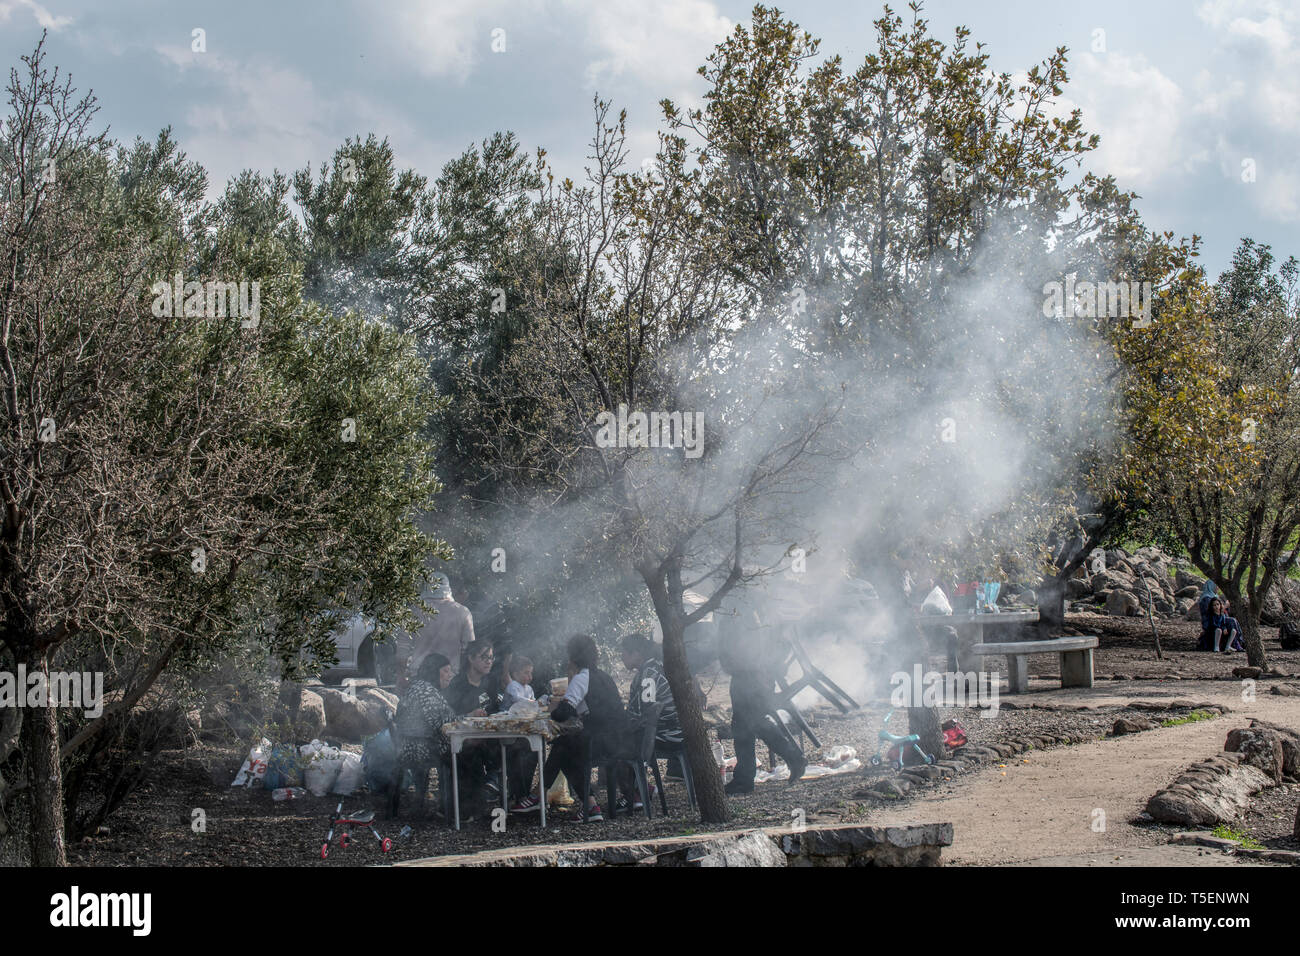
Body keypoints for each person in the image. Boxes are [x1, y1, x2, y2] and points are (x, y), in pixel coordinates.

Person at [511, 634, 629, 822]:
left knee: (563, 749)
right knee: (564, 745)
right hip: (618, 740)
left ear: (572, 657)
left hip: (600, 744)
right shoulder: (604, 676)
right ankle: (585, 804)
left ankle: (540, 795)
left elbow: (562, 713)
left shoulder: (583, 677)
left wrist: (558, 697)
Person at [719, 625, 807, 795]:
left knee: (751, 721)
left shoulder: (750, 614)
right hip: (749, 673)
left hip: (756, 674)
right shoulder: (744, 611)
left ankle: (746, 779)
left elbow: (755, 649)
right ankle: (792, 759)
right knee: (745, 722)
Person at [396, 572, 476, 690]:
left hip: (419, 674)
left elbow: (403, 647)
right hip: (451, 676)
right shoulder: (463, 612)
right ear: (448, 589)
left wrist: (401, 676)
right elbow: (469, 647)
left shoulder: (413, 611)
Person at [393, 653, 456, 771]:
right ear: (434, 672)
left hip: (405, 745)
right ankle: (459, 789)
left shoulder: (416, 686)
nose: (450, 675)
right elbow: (442, 726)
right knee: (466, 751)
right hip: (421, 748)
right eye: (446, 671)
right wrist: (466, 718)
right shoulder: (427, 692)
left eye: (450, 671)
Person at [1197, 580, 1219, 652]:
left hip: (1217, 618)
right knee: (1231, 622)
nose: (1218, 588)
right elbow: (1210, 613)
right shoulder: (1206, 599)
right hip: (1210, 621)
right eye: (1216, 586)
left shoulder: (1214, 597)